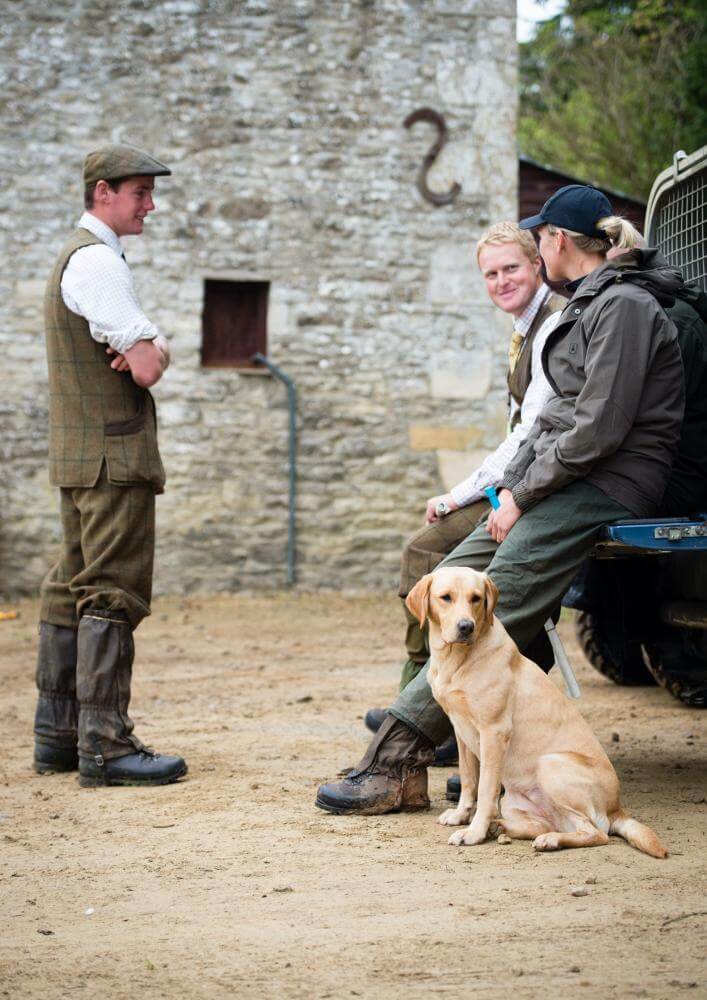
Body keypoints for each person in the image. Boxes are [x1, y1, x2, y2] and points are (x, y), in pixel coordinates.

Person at [316, 184, 685, 816]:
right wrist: (508, 489)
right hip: (570, 473)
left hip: (612, 480)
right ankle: (433, 753)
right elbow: (548, 423)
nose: (536, 249)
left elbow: (598, 429)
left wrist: (522, 493)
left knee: (503, 585)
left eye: (538, 239)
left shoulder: (624, 306)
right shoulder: (589, 305)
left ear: (558, 242)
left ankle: (393, 762)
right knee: (449, 575)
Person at [364, 223, 566, 752]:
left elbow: (530, 430)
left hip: (538, 480)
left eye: (511, 269)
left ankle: (439, 715)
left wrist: (460, 495)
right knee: (422, 550)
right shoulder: (522, 328)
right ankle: (422, 691)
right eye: (491, 273)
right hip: (515, 474)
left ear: (537, 264)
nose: (501, 281)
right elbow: (514, 426)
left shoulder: (553, 324)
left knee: (457, 562)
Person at [33, 142, 187, 788]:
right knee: (110, 591)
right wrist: (153, 346)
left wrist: (146, 345)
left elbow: (141, 355)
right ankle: (106, 744)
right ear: (102, 192)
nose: (149, 205)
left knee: (71, 583)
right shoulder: (97, 263)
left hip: (81, 455)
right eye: (139, 192)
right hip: (112, 457)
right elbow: (148, 366)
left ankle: (59, 734)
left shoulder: (80, 259)